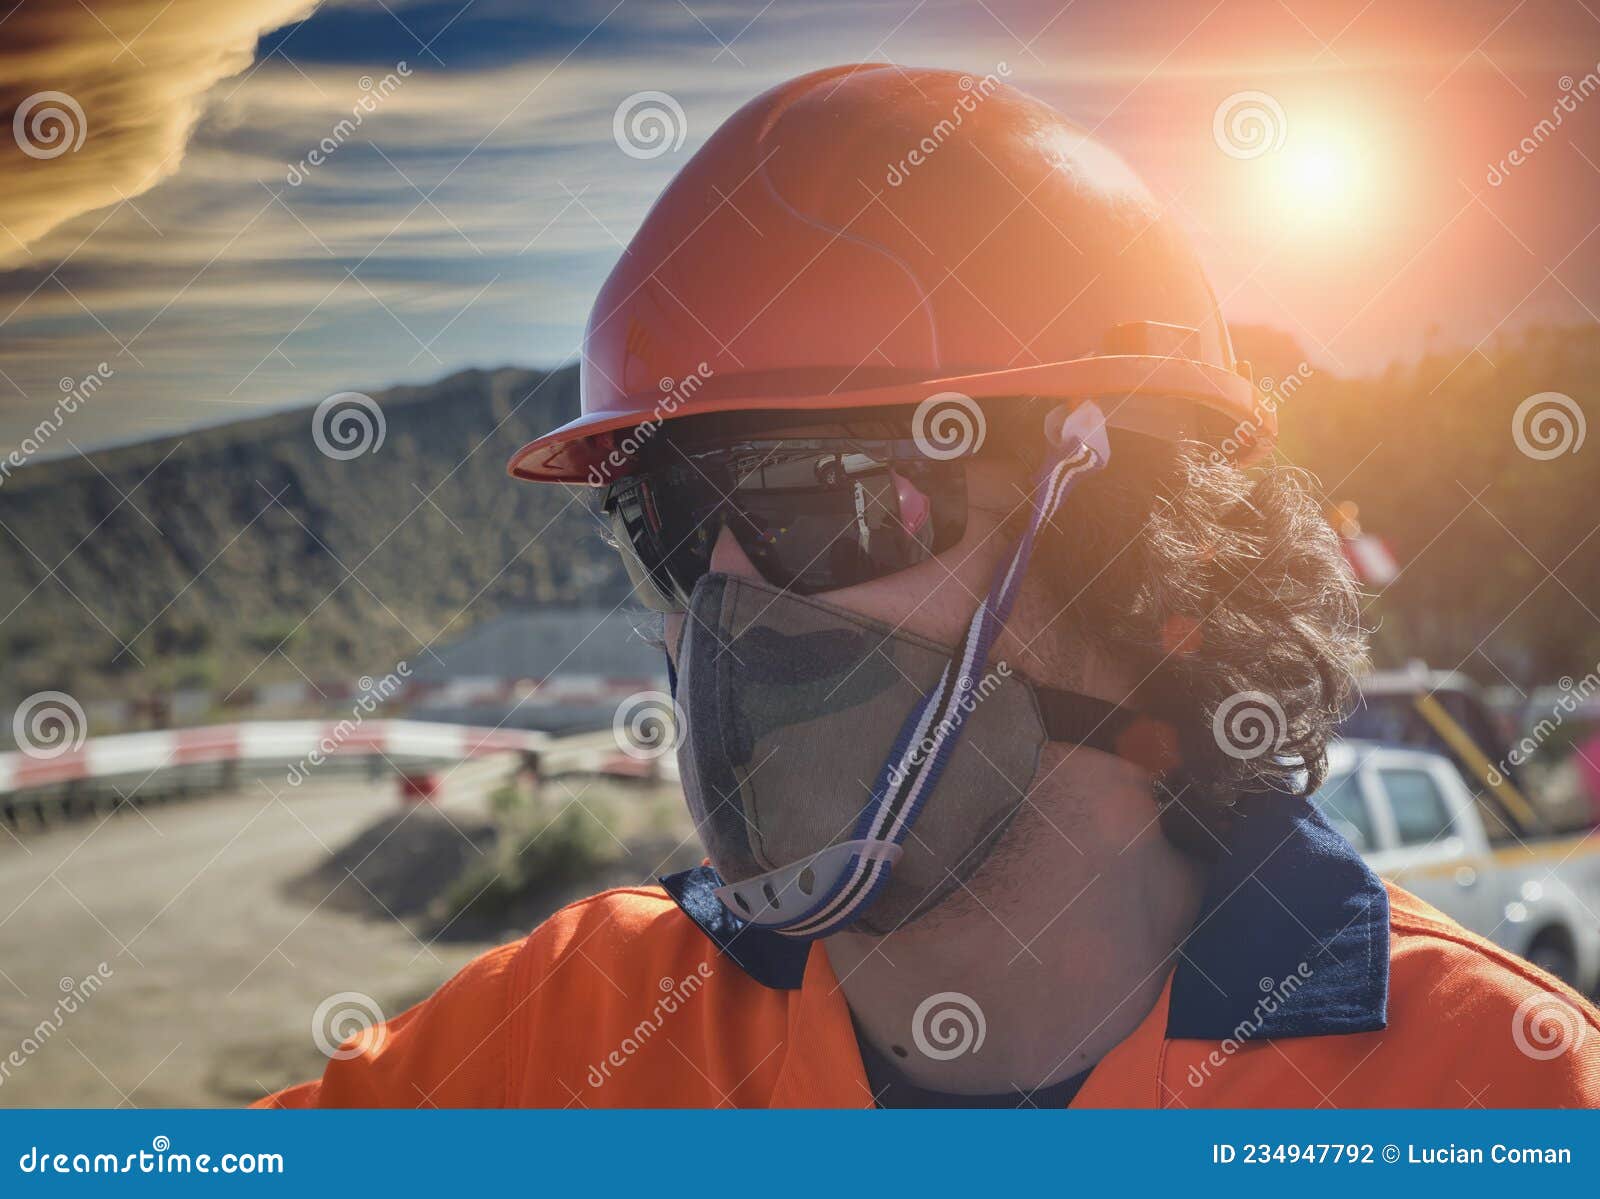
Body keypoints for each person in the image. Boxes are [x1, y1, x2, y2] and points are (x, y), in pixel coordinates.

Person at [261, 63, 1600, 1109]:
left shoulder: (1504, 1091)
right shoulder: (572, 1033)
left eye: (827, 497)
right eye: (668, 522)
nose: (727, 599)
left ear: (1140, 552)